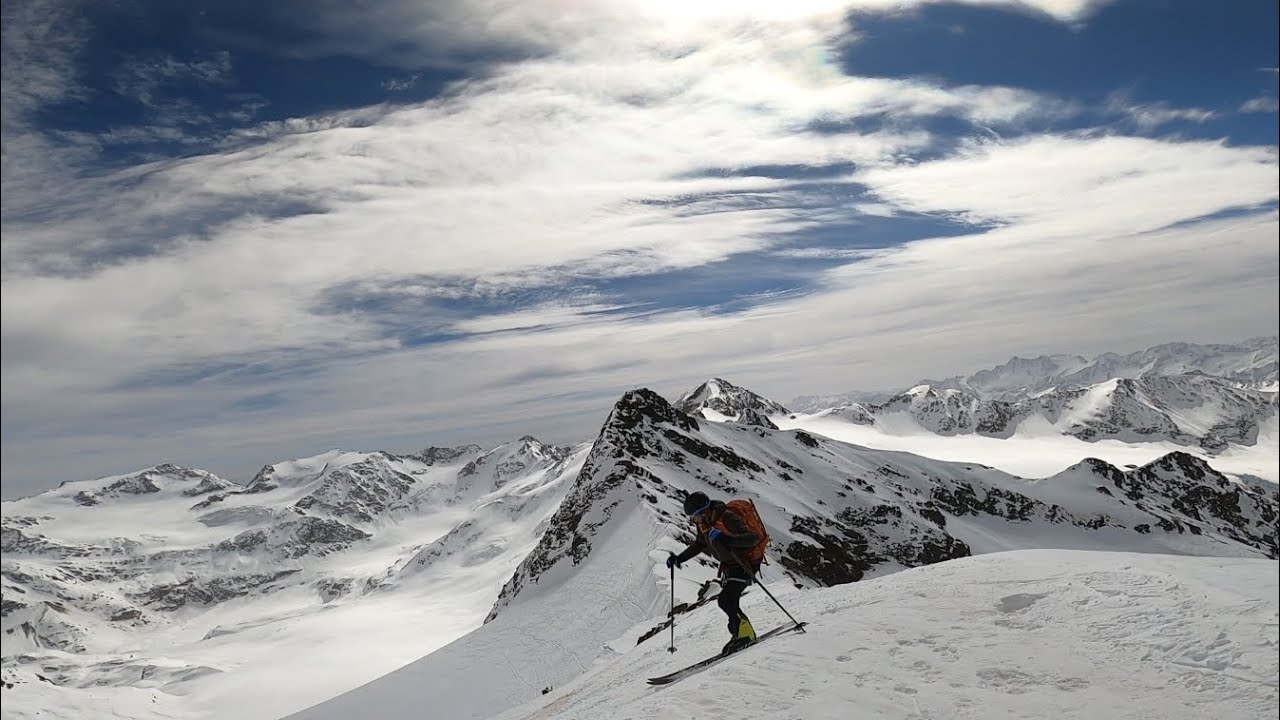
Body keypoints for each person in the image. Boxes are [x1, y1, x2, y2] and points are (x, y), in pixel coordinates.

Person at [666, 491, 764, 654]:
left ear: (704, 511)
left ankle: (746, 634)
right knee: (728, 600)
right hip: (730, 565)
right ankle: (739, 634)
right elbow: (699, 544)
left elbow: (752, 538)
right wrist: (679, 559)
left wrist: (728, 540)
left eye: (695, 517)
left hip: (744, 563)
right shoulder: (704, 524)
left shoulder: (727, 517)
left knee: (726, 600)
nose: (694, 521)